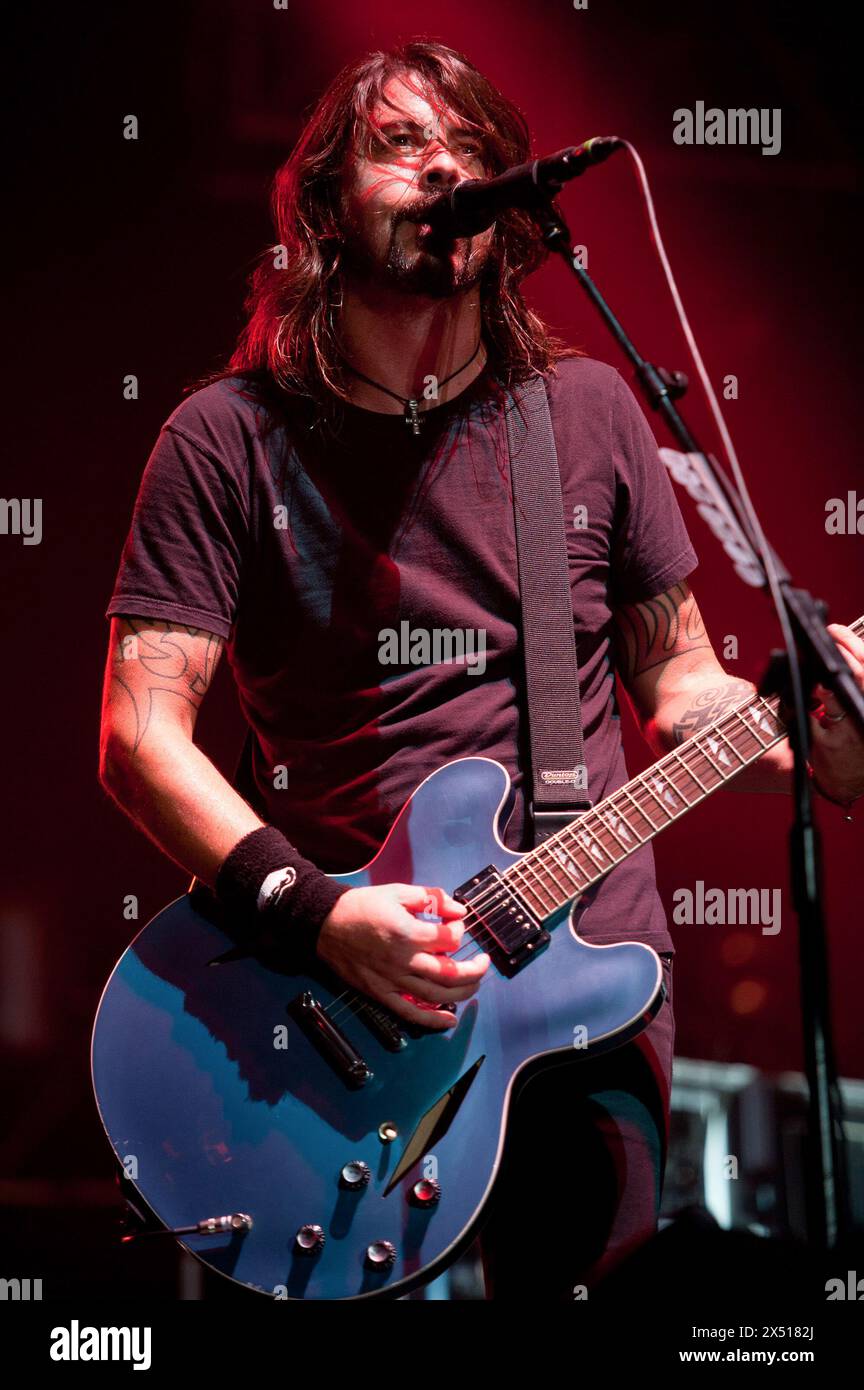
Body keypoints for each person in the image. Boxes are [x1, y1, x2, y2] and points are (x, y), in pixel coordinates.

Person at [98, 40, 864, 1301]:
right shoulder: (225, 440)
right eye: (401, 142)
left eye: (471, 149)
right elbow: (140, 733)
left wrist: (801, 735)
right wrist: (323, 914)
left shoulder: (591, 413)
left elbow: (682, 680)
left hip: (587, 984)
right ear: (326, 200)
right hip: (318, 1002)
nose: (446, 162)